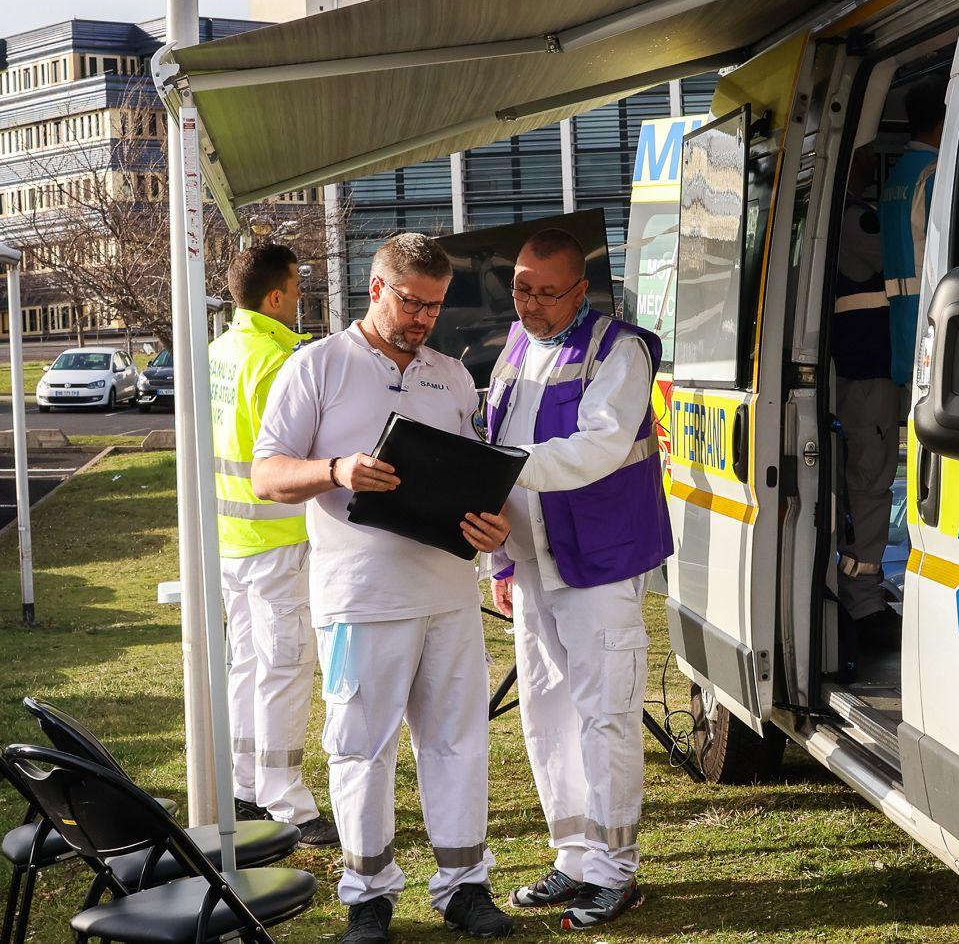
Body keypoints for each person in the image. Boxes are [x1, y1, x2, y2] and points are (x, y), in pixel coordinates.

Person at [251, 233, 514, 944]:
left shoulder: (452, 377)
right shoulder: (318, 366)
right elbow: (267, 475)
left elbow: (473, 474)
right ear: (375, 289)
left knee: (459, 742)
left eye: (435, 305)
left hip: (448, 595)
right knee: (360, 748)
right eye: (412, 303)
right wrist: (336, 470)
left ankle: (464, 886)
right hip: (359, 600)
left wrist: (490, 529)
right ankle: (368, 896)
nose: (425, 318)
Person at [483, 228, 670, 931]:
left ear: (581, 290)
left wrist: (499, 470)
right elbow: (490, 429)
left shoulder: (619, 349)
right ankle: (575, 857)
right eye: (521, 287)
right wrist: (499, 560)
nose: (530, 302)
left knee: (606, 715)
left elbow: (597, 447)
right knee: (547, 715)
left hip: (598, 561)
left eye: (546, 291)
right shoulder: (518, 342)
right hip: (532, 564)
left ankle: (615, 872)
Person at [207, 243, 336, 846]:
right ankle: (286, 802)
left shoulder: (218, 353)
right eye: (298, 287)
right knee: (285, 669)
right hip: (279, 537)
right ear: (276, 296)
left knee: (249, 666)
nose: (303, 298)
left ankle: (245, 785)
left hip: (231, 540)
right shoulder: (282, 359)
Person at [831, 149, 898, 662]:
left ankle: (864, 599)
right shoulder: (856, 218)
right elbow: (898, 255)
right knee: (869, 486)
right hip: (865, 376)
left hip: (872, 373)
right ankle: (863, 606)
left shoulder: (847, 210)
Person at [881, 84, 944, 390]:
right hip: (931, 321)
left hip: (903, 325)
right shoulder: (933, 175)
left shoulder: (898, 176)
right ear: (942, 125)